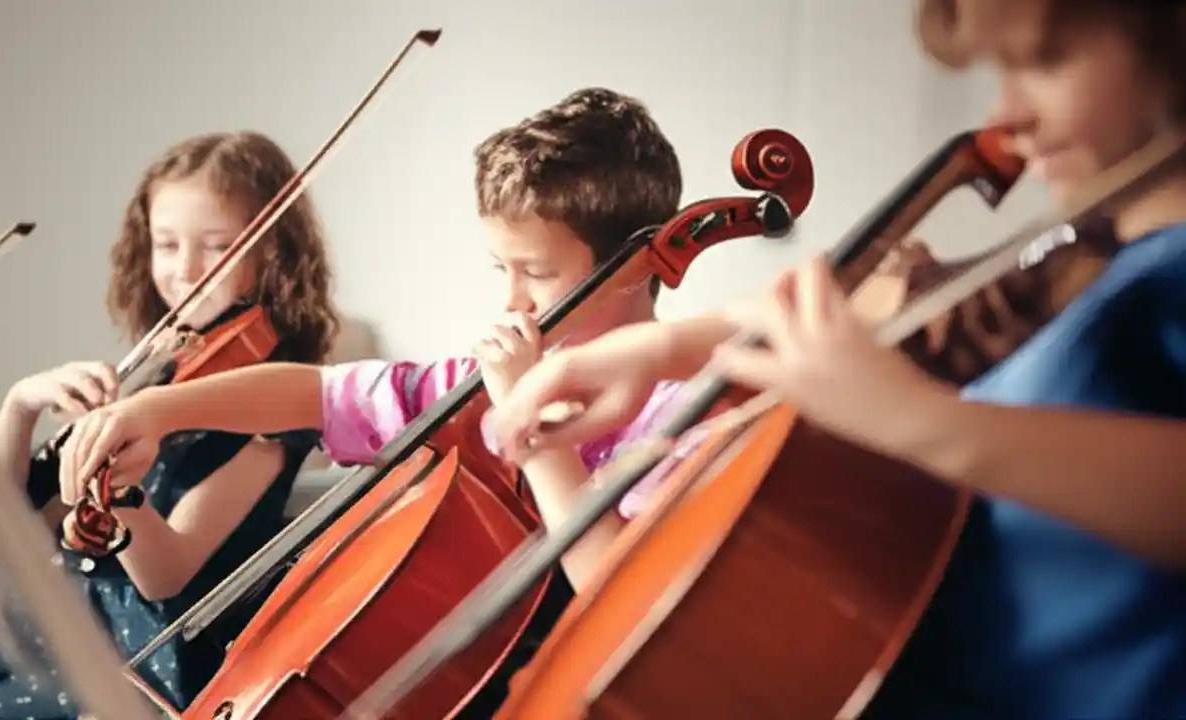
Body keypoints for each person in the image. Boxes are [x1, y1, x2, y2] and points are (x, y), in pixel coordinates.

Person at [488, 2, 1186, 717]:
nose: (1007, 114)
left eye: (1043, 62)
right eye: (1001, 70)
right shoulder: (1081, 253)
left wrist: (918, 420)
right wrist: (660, 347)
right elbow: (873, 308)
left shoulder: (1158, 269)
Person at [55, 87, 690, 594]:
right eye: (503, 270)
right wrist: (152, 410)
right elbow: (318, 392)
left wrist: (531, 424)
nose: (511, 301)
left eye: (539, 273)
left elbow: (616, 589)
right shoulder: (479, 387)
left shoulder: (685, 412)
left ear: (634, 266)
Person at [0, 131, 340, 718]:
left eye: (216, 246)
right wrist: (20, 406)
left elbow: (166, 574)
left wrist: (115, 486)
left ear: (275, 254)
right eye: (166, 244)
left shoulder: (269, 409)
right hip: (49, 644)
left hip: (133, 673)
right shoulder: (156, 372)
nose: (186, 269)